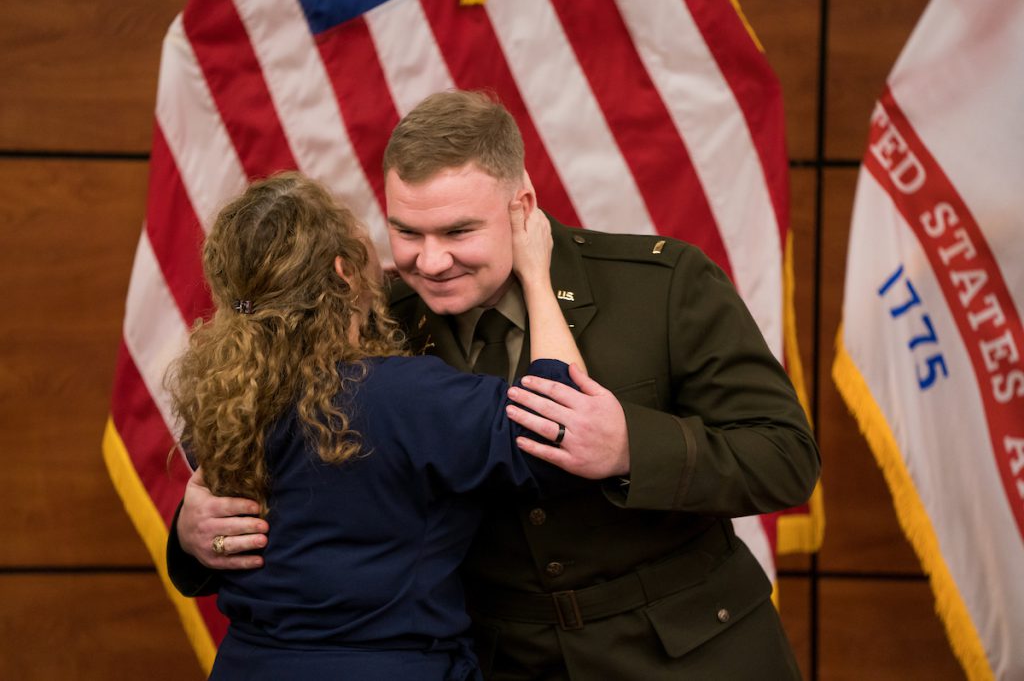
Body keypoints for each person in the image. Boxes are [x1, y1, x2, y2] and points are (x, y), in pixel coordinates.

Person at [169, 90, 820, 680]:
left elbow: (785, 458)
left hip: (684, 654)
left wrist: (630, 448)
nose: (429, 260)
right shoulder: (366, 319)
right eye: (406, 232)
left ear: (521, 208)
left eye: (458, 231)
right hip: (502, 659)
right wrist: (193, 529)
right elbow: (296, 479)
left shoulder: (663, 286)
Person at [165, 170, 616, 680]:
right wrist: (537, 276)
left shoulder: (222, 398)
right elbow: (560, 427)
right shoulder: (401, 396)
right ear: (344, 270)